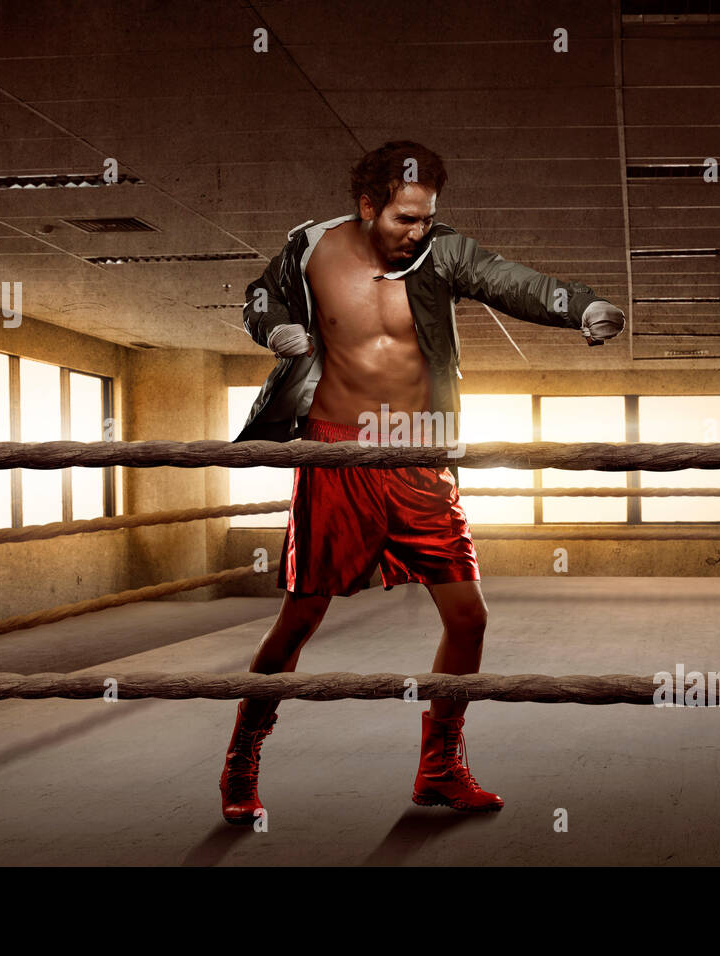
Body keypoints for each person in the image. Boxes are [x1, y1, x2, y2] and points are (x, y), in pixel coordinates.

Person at [219, 140, 624, 824]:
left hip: (416, 453)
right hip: (335, 454)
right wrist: (278, 328)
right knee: (299, 619)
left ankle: (439, 768)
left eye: (427, 219)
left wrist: (580, 307)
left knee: (469, 617)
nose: (417, 233)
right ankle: (241, 762)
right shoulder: (310, 248)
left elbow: (508, 278)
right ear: (368, 204)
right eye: (404, 219)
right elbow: (259, 297)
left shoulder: (441, 252)